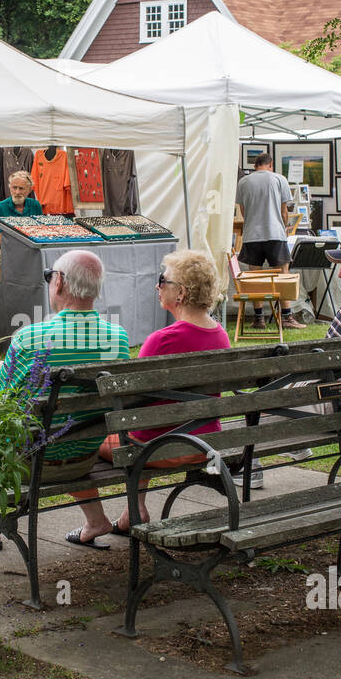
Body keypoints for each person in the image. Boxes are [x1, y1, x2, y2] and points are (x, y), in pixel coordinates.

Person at [0, 250, 130, 551]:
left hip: (33, 464)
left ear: (60, 283)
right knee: (64, 420)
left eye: (49, 276)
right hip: (84, 458)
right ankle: (96, 519)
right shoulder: (118, 339)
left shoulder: (31, 338)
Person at [70, 250, 229, 540]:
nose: (157, 286)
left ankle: (106, 518)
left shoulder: (162, 340)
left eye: (162, 280)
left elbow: (128, 401)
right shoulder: (220, 335)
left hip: (160, 449)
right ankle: (135, 511)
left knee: (81, 440)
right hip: (203, 442)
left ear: (180, 292)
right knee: (143, 428)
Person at [236, 152, 303, 330]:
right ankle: (287, 317)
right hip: (275, 233)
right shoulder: (279, 179)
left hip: (252, 236)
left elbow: (243, 210)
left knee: (254, 279)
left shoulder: (243, 182)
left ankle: (259, 319)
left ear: (255, 165)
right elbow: (284, 211)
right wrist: (285, 228)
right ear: (270, 165)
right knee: (283, 275)